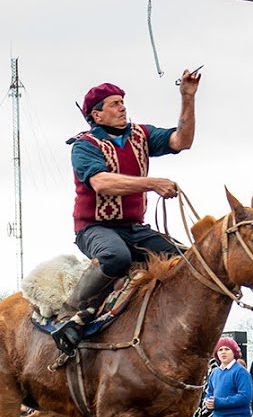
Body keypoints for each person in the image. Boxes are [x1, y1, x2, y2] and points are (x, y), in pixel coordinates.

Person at [49, 71, 202, 354]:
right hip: (94, 228)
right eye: (114, 103)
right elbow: (101, 182)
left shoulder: (141, 135)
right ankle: (69, 314)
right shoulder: (85, 145)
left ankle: (165, 326)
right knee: (116, 256)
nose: (122, 107)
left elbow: (182, 141)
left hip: (133, 228)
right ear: (96, 115)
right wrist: (151, 183)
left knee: (186, 262)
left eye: (122, 102)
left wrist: (187, 98)